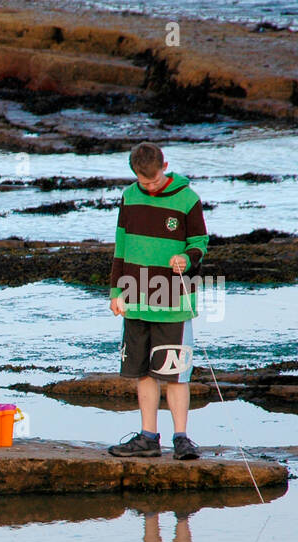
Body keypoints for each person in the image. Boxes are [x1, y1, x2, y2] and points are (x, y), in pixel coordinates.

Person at [107, 141, 209, 461]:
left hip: (173, 299)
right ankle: (148, 437)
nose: (149, 186)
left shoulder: (187, 199)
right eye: (143, 181)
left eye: (153, 180)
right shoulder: (129, 196)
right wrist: (114, 293)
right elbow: (120, 248)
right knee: (143, 373)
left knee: (176, 374)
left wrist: (186, 257)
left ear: (165, 167)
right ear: (135, 174)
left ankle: (182, 438)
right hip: (135, 297)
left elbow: (200, 242)